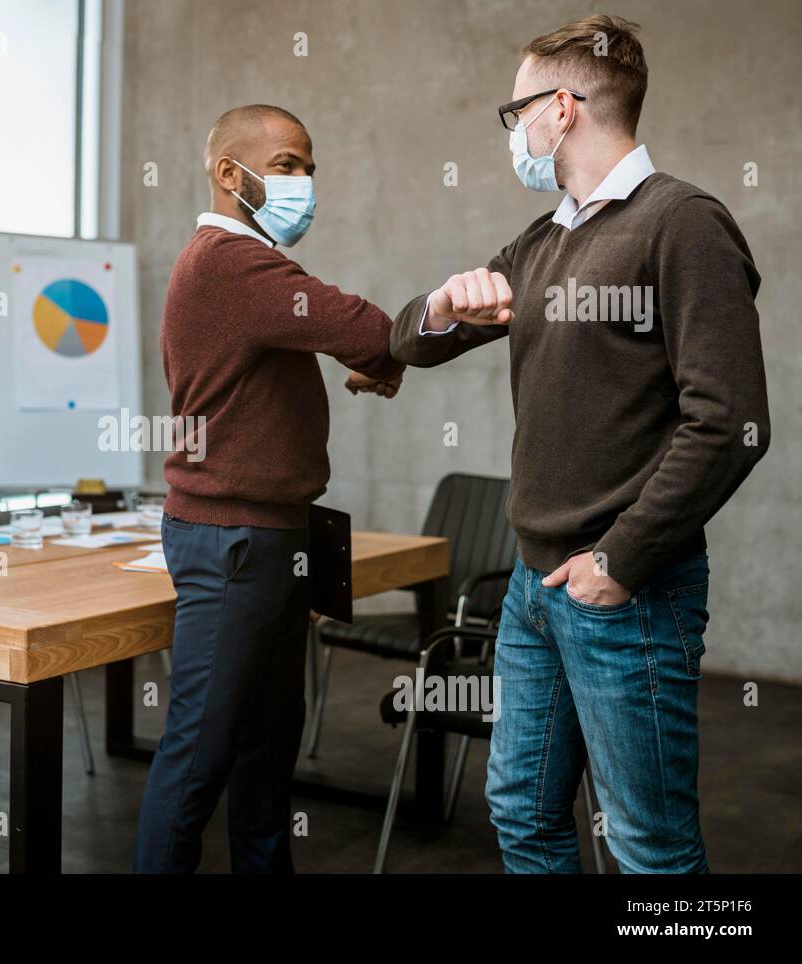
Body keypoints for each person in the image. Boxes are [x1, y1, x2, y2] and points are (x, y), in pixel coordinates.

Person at [365, 15, 770, 873]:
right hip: (531, 587)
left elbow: (731, 423)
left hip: (626, 594)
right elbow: (411, 342)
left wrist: (619, 560)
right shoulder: (545, 240)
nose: (513, 135)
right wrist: (446, 299)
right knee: (522, 816)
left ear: (559, 108)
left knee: (649, 846)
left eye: (514, 116)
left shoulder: (682, 223)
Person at [134, 104, 403, 873]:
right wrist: (389, 354)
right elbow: (365, 327)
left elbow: (355, 338)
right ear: (230, 173)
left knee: (263, 757)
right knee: (198, 758)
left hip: (271, 536)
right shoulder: (230, 261)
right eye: (287, 165)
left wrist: (383, 354)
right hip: (233, 542)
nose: (304, 183)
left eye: (309, 168)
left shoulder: (242, 268)